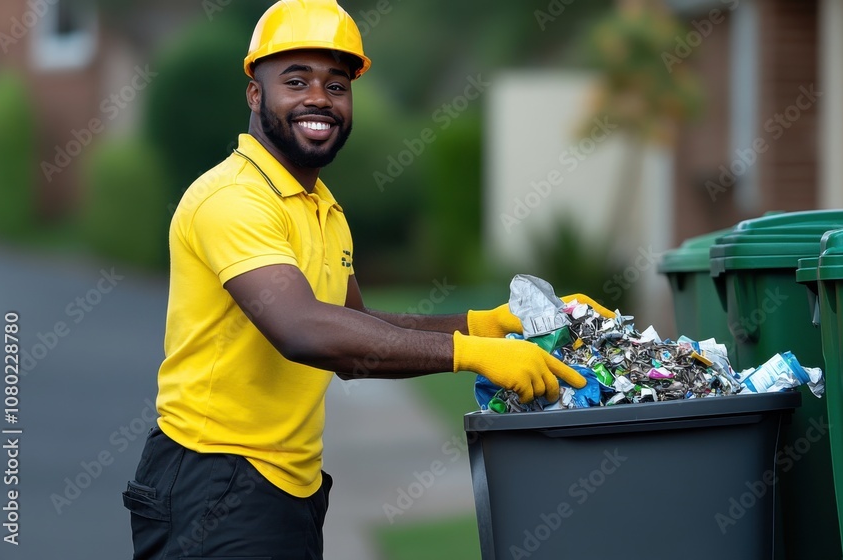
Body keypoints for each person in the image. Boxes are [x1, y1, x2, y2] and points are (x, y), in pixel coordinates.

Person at [122, 1, 613, 558]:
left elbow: (352, 335)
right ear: (255, 94)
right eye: (296, 80)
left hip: (288, 485)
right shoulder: (232, 199)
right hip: (211, 478)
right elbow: (303, 330)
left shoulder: (322, 209)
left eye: (336, 85)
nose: (319, 99)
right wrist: (468, 354)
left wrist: (488, 326)